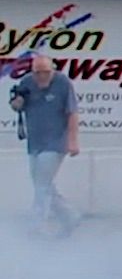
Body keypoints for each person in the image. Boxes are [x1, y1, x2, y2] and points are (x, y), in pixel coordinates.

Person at [9, 52, 80, 236]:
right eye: (37, 72)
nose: (41, 76)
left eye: (46, 72)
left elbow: (72, 112)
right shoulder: (26, 83)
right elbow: (18, 105)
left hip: (57, 141)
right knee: (42, 183)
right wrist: (17, 103)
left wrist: (73, 141)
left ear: (53, 70)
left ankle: (36, 225)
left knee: (42, 183)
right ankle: (70, 216)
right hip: (35, 141)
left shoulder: (63, 83)